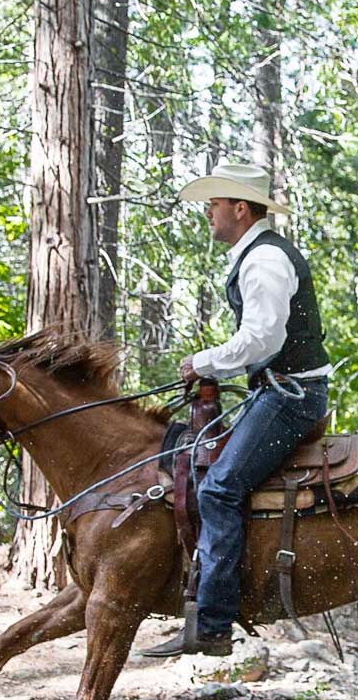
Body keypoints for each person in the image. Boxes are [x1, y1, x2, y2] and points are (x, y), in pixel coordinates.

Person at [142, 162, 333, 658]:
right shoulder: (257, 254)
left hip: (290, 396)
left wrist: (203, 362)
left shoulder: (264, 259)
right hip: (278, 389)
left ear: (240, 208)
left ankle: (212, 622)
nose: (209, 213)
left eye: (215, 204)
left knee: (220, 487)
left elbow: (263, 338)